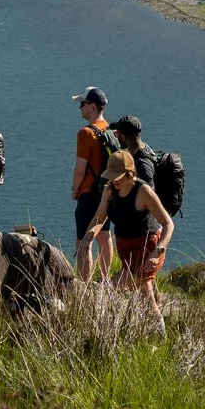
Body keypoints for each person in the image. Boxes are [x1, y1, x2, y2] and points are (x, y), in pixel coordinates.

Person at [86, 148, 173, 326]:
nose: (113, 180)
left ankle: (158, 334)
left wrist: (158, 251)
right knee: (145, 292)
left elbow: (168, 224)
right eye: (111, 175)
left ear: (129, 173)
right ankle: (155, 331)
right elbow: (99, 218)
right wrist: (87, 240)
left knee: (112, 289)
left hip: (147, 248)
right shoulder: (109, 190)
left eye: (117, 176)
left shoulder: (143, 192)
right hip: (126, 252)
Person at [71, 86, 118, 278]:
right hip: (106, 191)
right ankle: (106, 280)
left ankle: (84, 284)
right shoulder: (110, 129)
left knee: (83, 241)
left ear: (92, 106)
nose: (80, 108)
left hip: (89, 192)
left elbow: (80, 168)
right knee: (104, 235)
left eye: (82, 104)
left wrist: (75, 189)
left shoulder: (86, 134)